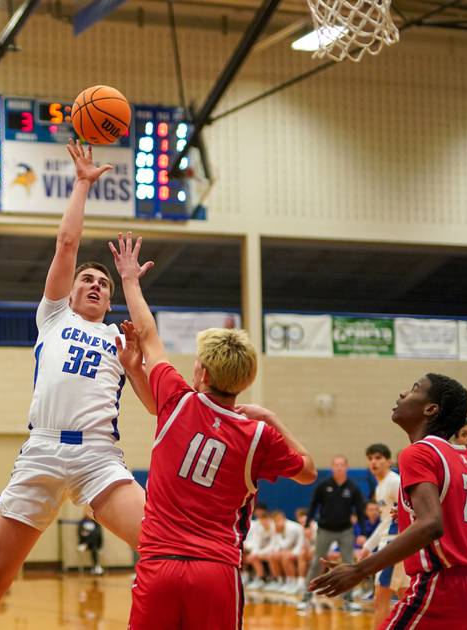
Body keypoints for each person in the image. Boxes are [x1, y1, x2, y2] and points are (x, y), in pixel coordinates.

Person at [0, 144, 155, 630]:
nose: (94, 285)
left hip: (98, 457)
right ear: (68, 290)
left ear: (111, 299)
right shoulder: (53, 317)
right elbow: (66, 244)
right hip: (42, 450)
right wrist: (83, 183)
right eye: (87, 280)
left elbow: (155, 406)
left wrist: (135, 367)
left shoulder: (120, 336)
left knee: (163, 545)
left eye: (103, 285)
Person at [110, 232, 317, 629]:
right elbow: (308, 472)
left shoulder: (178, 400)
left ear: (201, 372)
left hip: (159, 566)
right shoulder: (259, 437)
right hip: (216, 570)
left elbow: (148, 334)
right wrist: (270, 419)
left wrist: (130, 280)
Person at [310, 374, 467, 629]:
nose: (402, 394)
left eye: (414, 390)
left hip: (443, 586)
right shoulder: (466, 460)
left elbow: (431, 524)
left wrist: (359, 571)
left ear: (431, 409)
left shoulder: (419, 452)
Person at [299, 455, 367, 611]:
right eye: (336, 465)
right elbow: (313, 504)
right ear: (332, 467)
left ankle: (348, 600)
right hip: (325, 529)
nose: (339, 467)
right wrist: (308, 524)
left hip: (345, 530)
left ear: (346, 467)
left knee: (349, 564)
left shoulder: (353, 488)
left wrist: (362, 532)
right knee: (317, 563)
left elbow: (360, 512)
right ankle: (306, 597)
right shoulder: (324, 486)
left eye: (342, 464)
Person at [358, 443, 406, 627]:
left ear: (389, 461)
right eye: (370, 458)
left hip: (395, 544)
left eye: (378, 458)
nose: (373, 462)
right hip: (392, 544)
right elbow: (385, 521)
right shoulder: (380, 487)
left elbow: (407, 512)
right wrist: (369, 546)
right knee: (404, 596)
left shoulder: (394, 482)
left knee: (381, 599)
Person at [270, 509, 309, 594]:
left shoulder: (292, 527)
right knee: (272, 556)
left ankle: (293, 582)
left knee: (285, 556)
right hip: (291, 550)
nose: (277, 522)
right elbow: (275, 544)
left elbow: (286, 545)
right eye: (275, 521)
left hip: (298, 549)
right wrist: (276, 551)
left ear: (283, 518)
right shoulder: (275, 527)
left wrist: (278, 534)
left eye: (279, 520)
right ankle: (280, 581)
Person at [76, 511, 104, 576]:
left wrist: (88, 533)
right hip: (85, 542)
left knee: (94, 538)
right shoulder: (82, 522)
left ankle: (86, 543)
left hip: (94, 544)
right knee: (93, 536)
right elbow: (80, 533)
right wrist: (85, 533)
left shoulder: (96, 523)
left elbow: (98, 534)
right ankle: (96, 566)